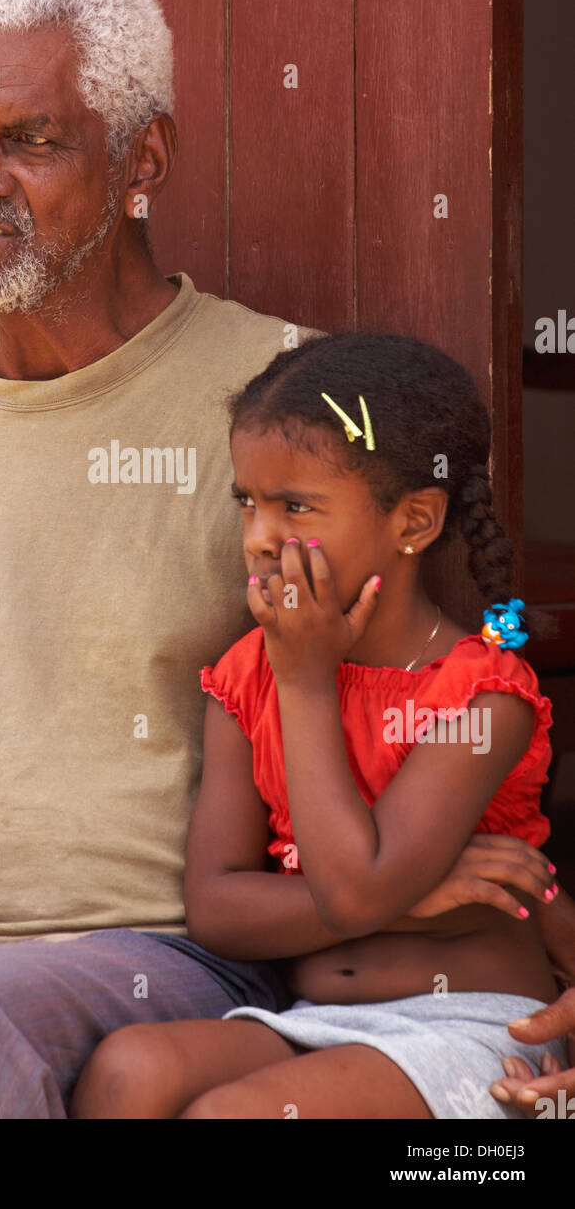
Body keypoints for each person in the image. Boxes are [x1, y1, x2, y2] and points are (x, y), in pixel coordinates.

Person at [0, 0, 572, 1120]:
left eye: (26, 138)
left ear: (141, 161)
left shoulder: (290, 411)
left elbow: (449, 692)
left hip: (171, 972)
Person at [70, 331, 570, 1120]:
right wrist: (415, 895)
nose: (261, 536)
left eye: (295, 506)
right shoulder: (246, 677)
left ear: (413, 522)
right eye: (248, 502)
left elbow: (355, 884)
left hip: (470, 1029)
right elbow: (220, 907)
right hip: (310, 1022)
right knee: (127, 1075)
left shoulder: (480, 697)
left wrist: (305, 684)